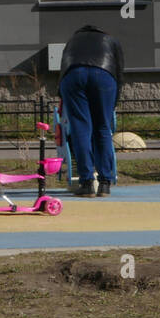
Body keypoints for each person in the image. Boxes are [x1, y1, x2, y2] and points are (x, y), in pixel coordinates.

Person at [59, 25, 124, 197]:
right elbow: (119, 73)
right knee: (102, 128)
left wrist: (62, 97)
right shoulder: (111, 40)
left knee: (81, 129)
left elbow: (63, 69)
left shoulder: (72, 41)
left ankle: (87, 183)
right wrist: (113, 103)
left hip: (73, 76)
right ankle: (104, 183)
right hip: (104, 75)